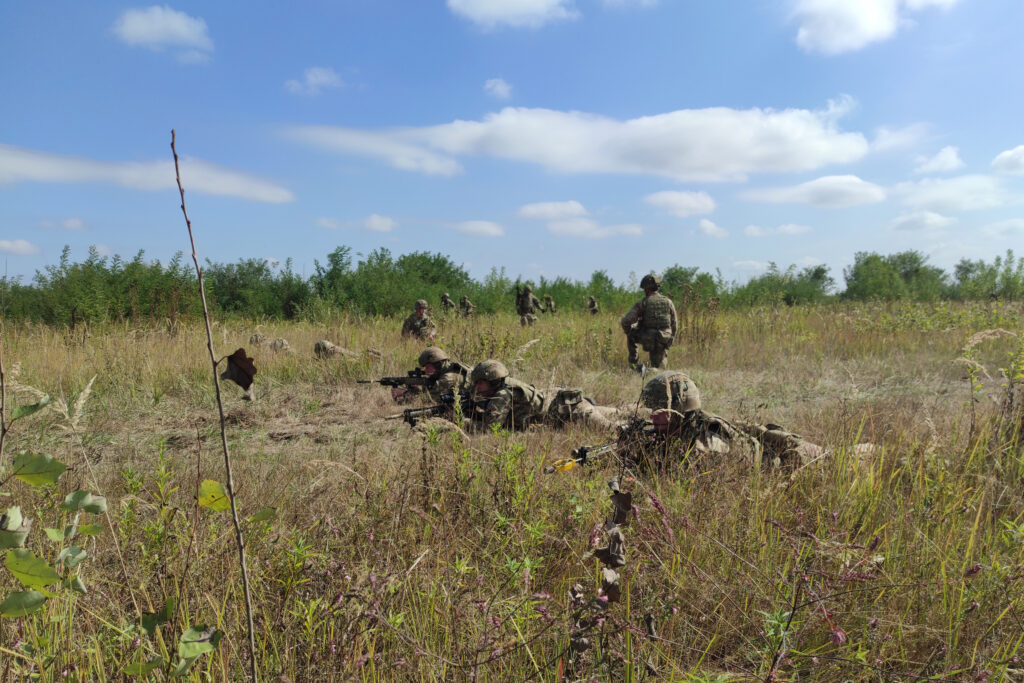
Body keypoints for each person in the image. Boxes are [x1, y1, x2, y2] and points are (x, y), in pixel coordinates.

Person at [465, 359, 625, 432]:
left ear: (493, 380)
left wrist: (461, 421)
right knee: (619, 413)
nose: (477, 387)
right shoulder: (503, 385)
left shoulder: (503, 394)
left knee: (615, 429)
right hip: (563, 404)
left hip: (570, 410)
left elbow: (491, 428)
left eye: (480, 383)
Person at [620, 274, 677, 370]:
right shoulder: (668, 302)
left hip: (648, 337)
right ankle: (656, 367)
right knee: (659, 368)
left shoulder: (643, 303)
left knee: (631, 335)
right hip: (664, 338)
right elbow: (674, 324)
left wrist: (628, 330)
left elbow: (626, 321)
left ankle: (634, 364)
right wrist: (670, 341)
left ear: (645, 289)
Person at [391, 346, 471, 403]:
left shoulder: (448, 378)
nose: (425, 370)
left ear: (438, 364)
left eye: (427, 367)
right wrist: (418, 389)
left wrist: (404, 393)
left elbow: (427, 400)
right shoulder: (446, 370)